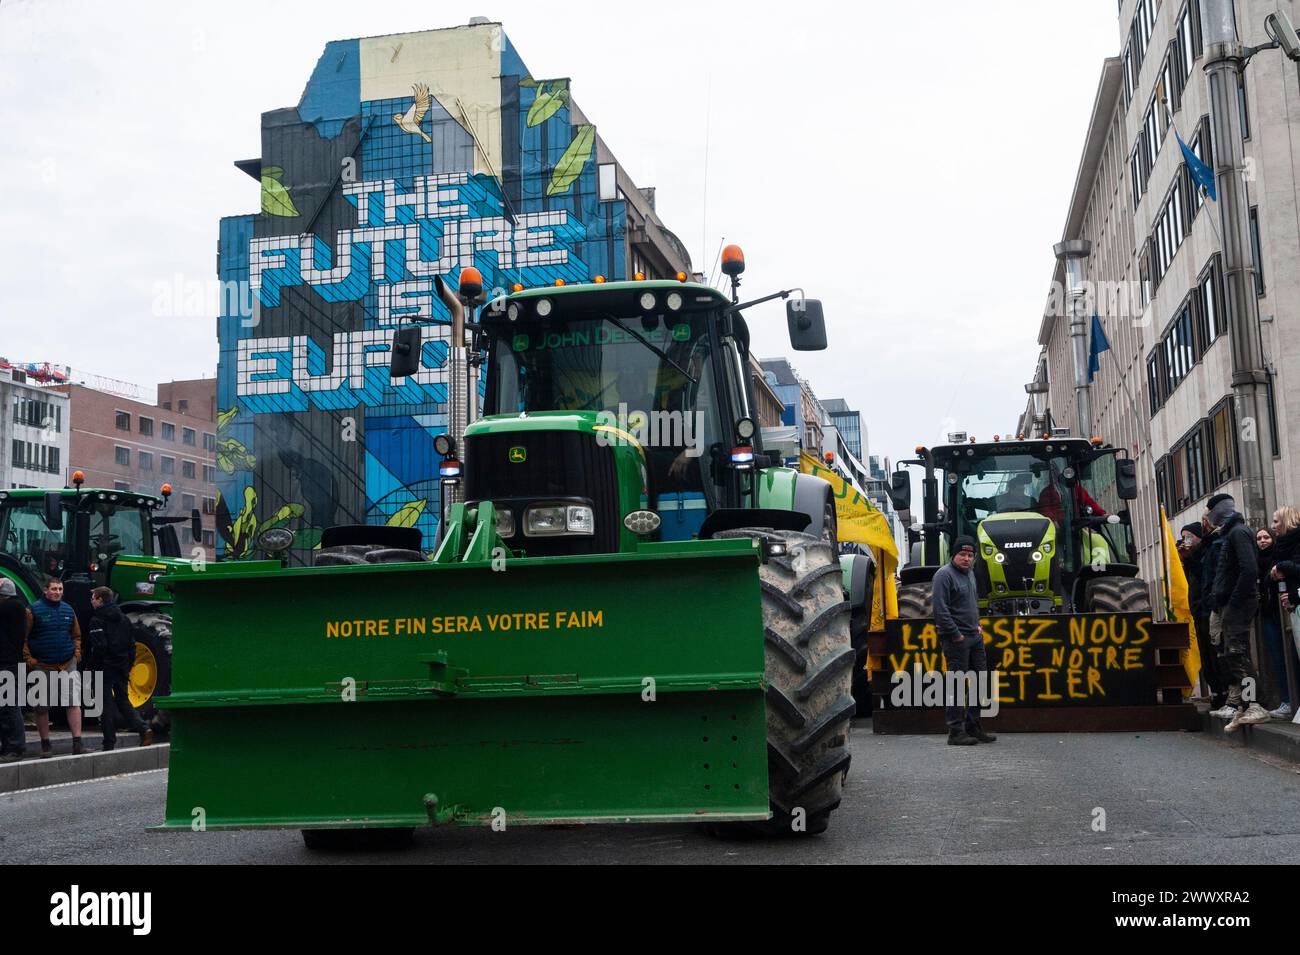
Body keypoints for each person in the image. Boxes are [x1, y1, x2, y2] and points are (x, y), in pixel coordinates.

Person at [1205, 494, 1271, 732]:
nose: (1209, 515)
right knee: (1233, 655)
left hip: (1238, 604)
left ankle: (1255, 704)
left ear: (1220, 511)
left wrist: (1233, 603)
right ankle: (1246, 704)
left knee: (1238, 654)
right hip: (1233, 603)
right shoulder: (1232, 533)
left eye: (1211, 510)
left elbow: (1249, 569)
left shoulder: (1238, 533)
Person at [931, 536, 996, 746]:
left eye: (970, 555)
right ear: (954, 555)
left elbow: (971, 603)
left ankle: (973, 725)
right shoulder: (943, 575)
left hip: (974, 636)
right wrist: (956, 634)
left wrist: (977, 625)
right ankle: (955, 731)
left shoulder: (970, 575)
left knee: (981, 681)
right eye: (962, 554)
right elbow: (940, 610)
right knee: (957, 684)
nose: (966, 559)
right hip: (956, 639)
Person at [23, 578, 84, 757]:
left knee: (73, 702)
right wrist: (30, 661)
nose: (57, 592)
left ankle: (77, 744)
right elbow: (23, 638)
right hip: (42, 665)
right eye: (54, 589)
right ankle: (46, 746)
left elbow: (76, 635)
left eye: (60, 589)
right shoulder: (32, 610)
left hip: (67, 663)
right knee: (41, 707)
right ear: (45, 590)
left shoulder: (68, 610)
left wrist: (76, 654)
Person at [88, 587, 153, 751]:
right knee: (123, 701)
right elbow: (132, 645)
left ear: (100, 600)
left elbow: (100, 647)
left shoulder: (96, 620)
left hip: (105, 668)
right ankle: (144, 728)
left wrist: (92, 666)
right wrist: (128, 665)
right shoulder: (124, 619)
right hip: (122, 667)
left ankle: (109, 743)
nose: (92, 601)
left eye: (93, 598)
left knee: (105, 706)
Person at [1178, 522, 1222, 705]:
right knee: (1205, 653)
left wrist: (1190, 559)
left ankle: (1225, 692)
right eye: (1183, 537)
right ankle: (1216, 691)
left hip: (1207, 607)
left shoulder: (1207, 552)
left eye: (1189, 537)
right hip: (1196, 608)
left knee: (1215, 652)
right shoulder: (1189, 555)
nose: (1186, 541)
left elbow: (1204, 575)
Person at [1264, 506, 1300, 719]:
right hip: (1291, 607)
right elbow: (1272, 574)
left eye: (1277, 521)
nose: (1273, 526)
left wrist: (1283, 566)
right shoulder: (1281, 546)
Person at [0, 579, 28, 762]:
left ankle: (16, 746)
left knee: (9, 705)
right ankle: (8, 745)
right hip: (7, 662)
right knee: (5, 706)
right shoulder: (15, 607)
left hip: (8, 663)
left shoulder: (12, 607)